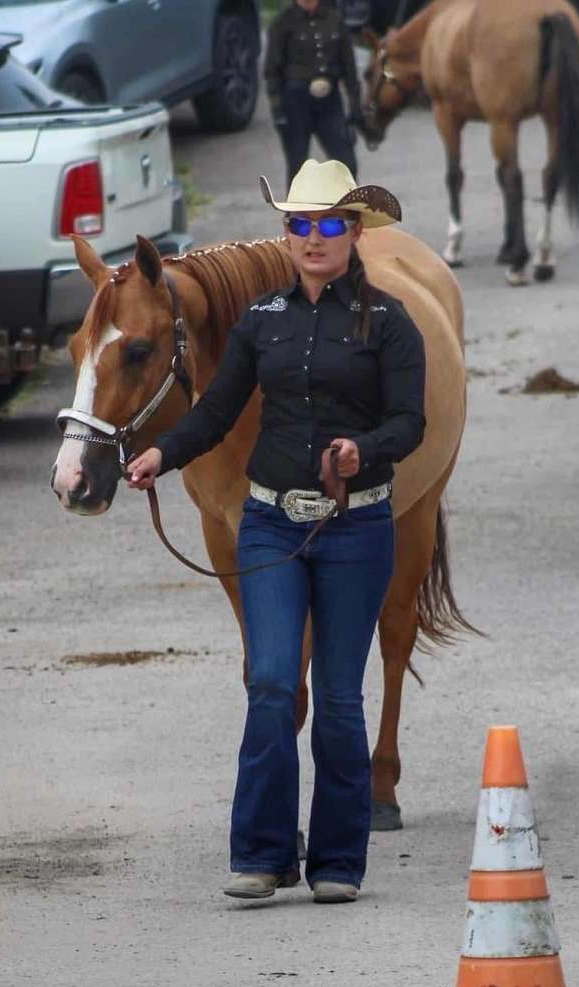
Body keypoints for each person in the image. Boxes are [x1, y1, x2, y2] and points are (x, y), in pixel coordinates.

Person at [128, 159, 426, 904]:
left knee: (336, 697)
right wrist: (163, 453)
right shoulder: (260, 322)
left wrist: (367, 450)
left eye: (328, 225)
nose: (313, 238)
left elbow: (409, 420)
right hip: (268, 522)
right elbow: (217, 410)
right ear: (285, 234)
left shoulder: (391, 324)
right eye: (299, 224)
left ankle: (335, 860)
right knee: (268, 680)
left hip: (356, 529)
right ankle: (262, 852)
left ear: (354, 234)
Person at [264, 0, 363, 188]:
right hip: (296, 102)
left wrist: (355, 106)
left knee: (347, 163)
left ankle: (351, 212)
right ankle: (296, 216)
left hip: (329, 101)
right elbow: (272, 71)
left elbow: (349, 68)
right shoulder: (283, 23)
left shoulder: (334, 20)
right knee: (298, 168)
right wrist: (277, 109)